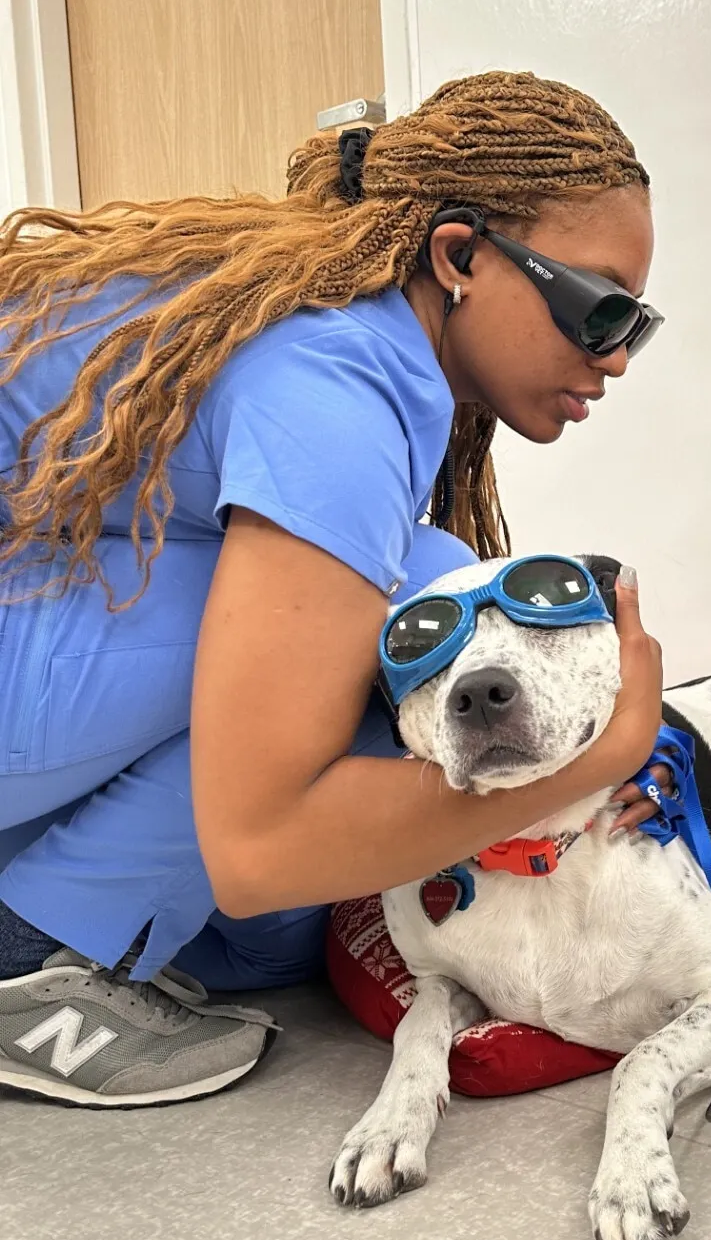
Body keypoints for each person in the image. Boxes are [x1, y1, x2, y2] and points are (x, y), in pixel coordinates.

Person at [0, 71, 666, 1107]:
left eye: (638, 322)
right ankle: (27, 958)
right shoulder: (334, 384)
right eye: (600, 308)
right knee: (408, 618)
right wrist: (605, 755)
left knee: (426, 587)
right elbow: (260, 848)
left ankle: (74, 907)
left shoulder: (351, 336)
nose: (617, 358)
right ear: (458, 257)